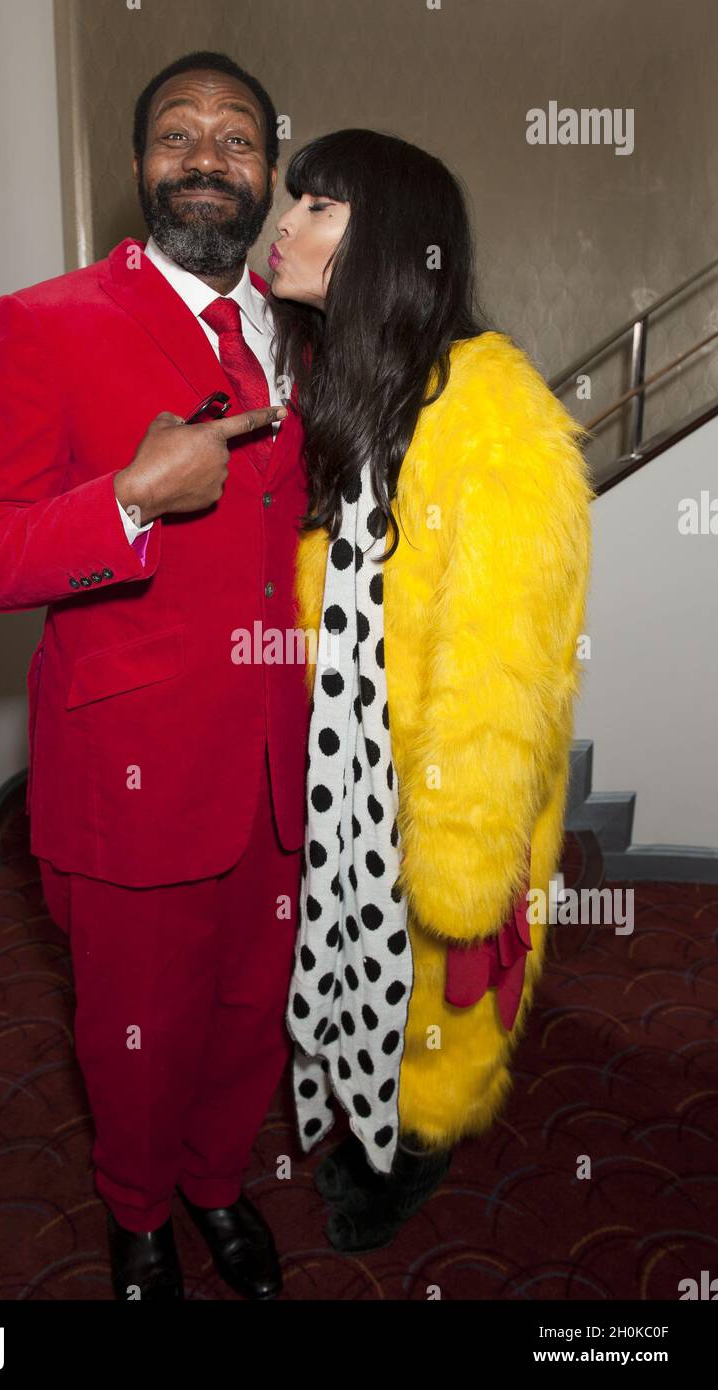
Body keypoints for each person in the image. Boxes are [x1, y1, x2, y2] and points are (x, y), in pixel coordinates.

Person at [0, 51, 310, 1301]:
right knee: (137, 1041)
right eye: (178, 134)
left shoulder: (302, 334)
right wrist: (127, 504)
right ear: (138, 166)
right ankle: (139, 1212)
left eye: (238, 138)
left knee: (252, 1020)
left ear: (269, 171)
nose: (207, 156)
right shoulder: (41, 325)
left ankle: (213, 1182)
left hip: (281, 767)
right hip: (131, 785)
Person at [268, 129, 594, 1252]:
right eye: (293, 202)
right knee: (356, 972)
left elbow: (505, 666)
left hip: (443, 791)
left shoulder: (495, 411)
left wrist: (460, 857)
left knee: (436, 1017)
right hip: (343, 776)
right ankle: (366, 1109)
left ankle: (412, 1146)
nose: (286, 224)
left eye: (319, 209)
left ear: (394, 246)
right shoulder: (332, 380)